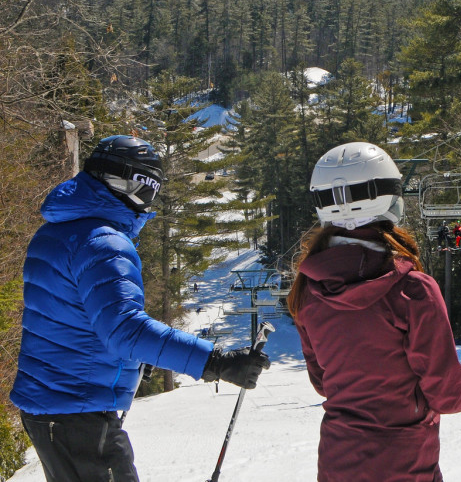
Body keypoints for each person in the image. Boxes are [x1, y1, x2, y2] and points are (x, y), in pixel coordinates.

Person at [11, 135, 270, 482]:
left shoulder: (57, 232)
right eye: (149, 192)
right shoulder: (103, 242)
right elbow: (125, 330)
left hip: (56, 407)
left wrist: (132, 359)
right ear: (130, 185)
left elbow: (72, 320)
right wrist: (216, 361)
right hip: (78, 411)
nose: (149, 205)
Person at [291, 141, 461, 482]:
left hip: (337, 463)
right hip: (406, 465)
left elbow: (325, 383)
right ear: (390, 198)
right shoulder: (411, 290)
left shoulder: (310, 289)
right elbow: (449, 395)